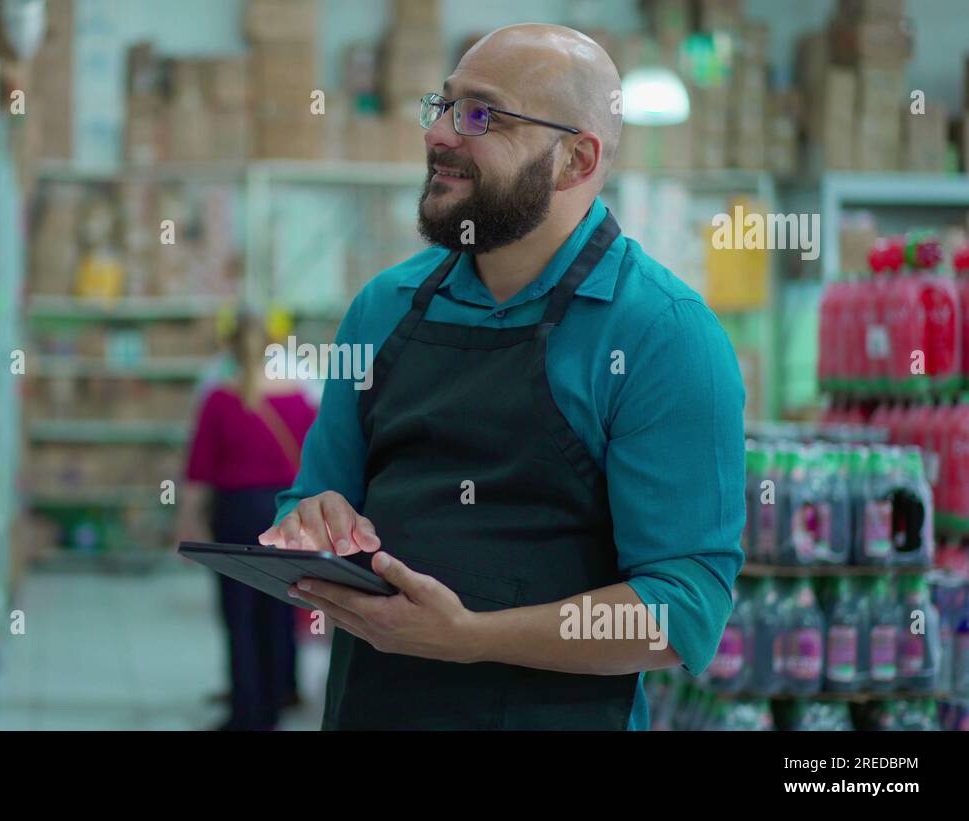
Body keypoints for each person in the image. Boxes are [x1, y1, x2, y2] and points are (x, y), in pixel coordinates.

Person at [258, 24, 746, 730]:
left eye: (481, 115)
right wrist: (307, 522)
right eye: (444, 106)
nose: (441, 134)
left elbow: (682, 608)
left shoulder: (662, 335)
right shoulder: (382, 308)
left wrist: (471, 639)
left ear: (576, 159)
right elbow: (306, 499)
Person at [178, 311, 317, 731]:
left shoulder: (219, 400)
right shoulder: (298, 399)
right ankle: (278, 699)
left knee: (239, 614)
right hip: (284, 513)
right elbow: (317, 463)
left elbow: (198, 474)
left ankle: (247, 711)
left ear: (229, 350)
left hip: (235, 514)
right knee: (280, 606)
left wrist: (186, 525)